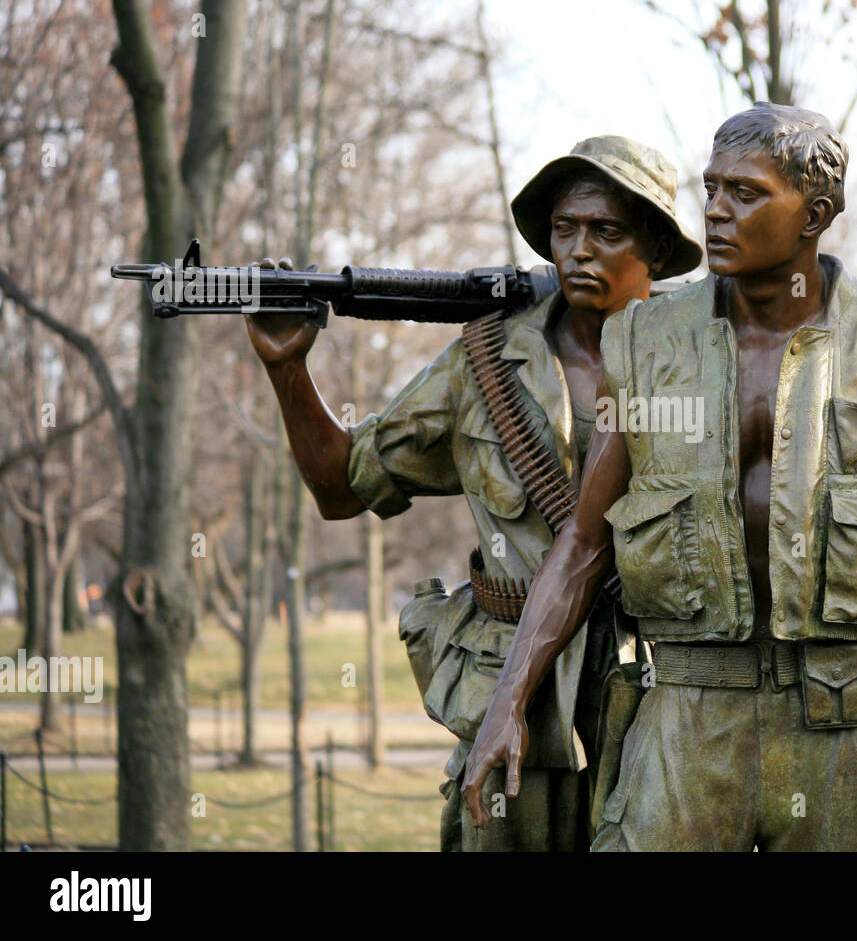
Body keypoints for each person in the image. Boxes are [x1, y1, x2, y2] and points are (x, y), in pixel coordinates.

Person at [462, 102, 857, 851]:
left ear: (815, 213)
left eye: (746, 194)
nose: (715, 212)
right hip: (687, 712)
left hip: (844, 718)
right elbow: (585, 544)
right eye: (711, 188)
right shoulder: (643, 342)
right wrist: (509, 700)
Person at [243, 136, 702, 851]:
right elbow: (342, 486)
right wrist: (288, 371)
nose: (579, 250)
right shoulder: (484, 361)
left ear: (656, 250)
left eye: (607, 231)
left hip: (658, 690)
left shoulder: (703, 366)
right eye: (565, 229)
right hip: (514, 696)